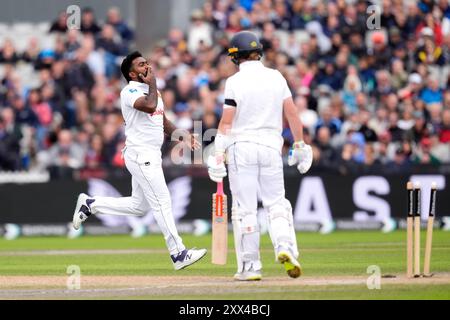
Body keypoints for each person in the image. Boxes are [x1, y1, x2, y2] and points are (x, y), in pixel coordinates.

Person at [72, 51, 207, 270]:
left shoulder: (152, 91)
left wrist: (184, 136)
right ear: (132, 73)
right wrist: (152, 83)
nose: (147, 67)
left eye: (147, 62)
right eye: (141, 64)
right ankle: (178, 253)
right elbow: (150, 106)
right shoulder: (130, 90)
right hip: (140, 154)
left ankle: (91, 204)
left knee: (139, 206)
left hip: (149, 154)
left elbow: (163, 122)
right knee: (163, 201)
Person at [207, 31, 313, 281]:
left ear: (235, 56)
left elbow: (226, 122)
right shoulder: (276, 77)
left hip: (241, 147)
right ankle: (285, 247)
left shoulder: (234, 82)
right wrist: (300, 145)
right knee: (276, 203)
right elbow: (292, 113)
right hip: (270, 148)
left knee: (245, 209)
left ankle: (251, 266)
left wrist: (217, 153)